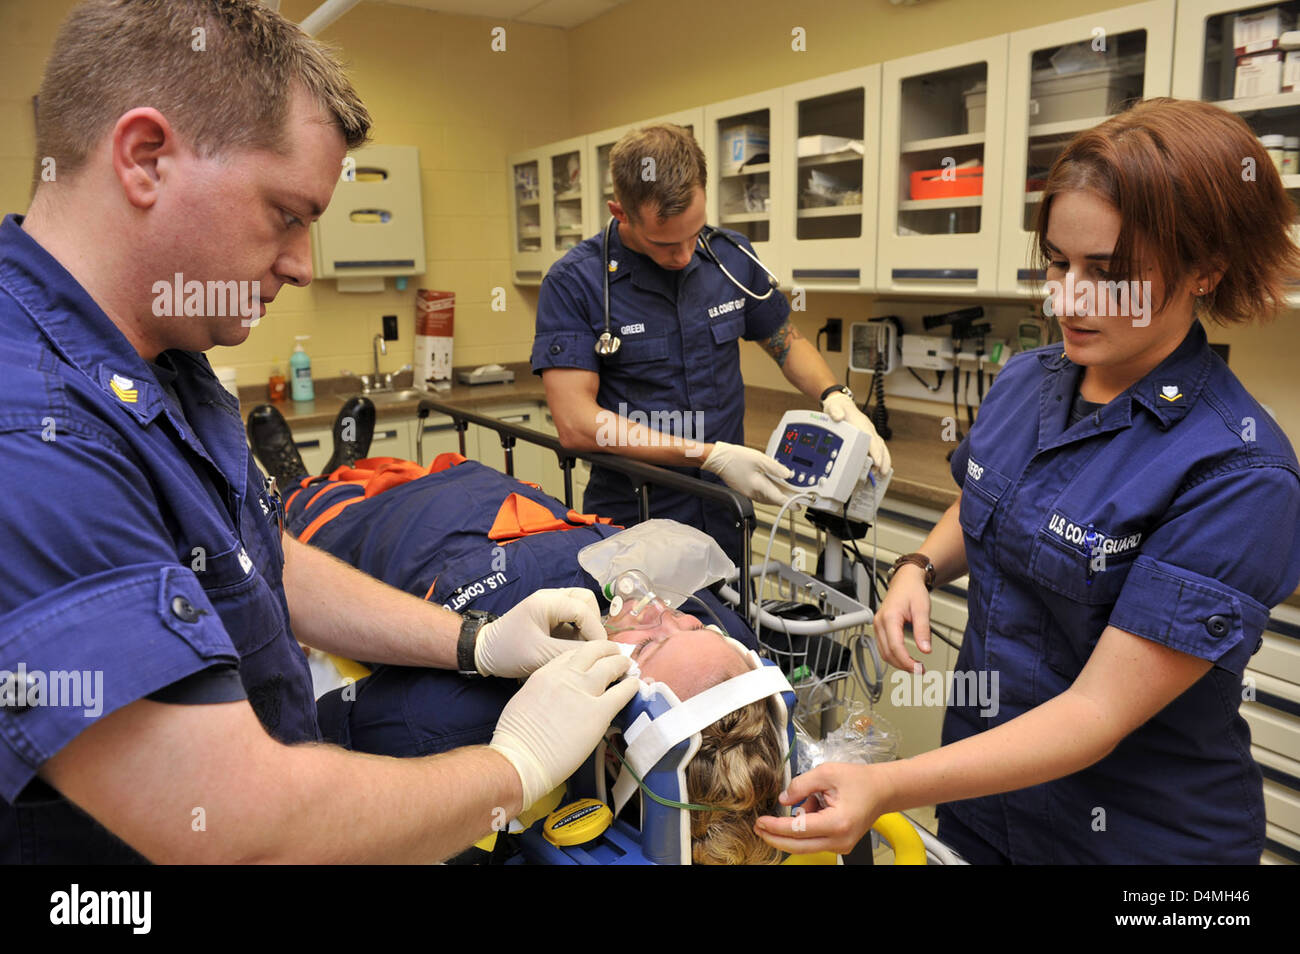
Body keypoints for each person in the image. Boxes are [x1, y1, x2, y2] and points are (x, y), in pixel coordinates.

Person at [0, 0, 636, 864]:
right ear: (145, 159)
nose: (302, 263)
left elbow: (259, 558)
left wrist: (474, 642)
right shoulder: (33, 434)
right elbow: (235, 825)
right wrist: (513, 769)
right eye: (287, 214)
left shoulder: (165, 355)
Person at [754, 98, 1300, 864]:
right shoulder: (1030, 381)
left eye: (1109, 275)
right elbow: (988, 499)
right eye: (1057, 263)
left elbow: (1096, 713)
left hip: (1137, 844)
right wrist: (920, 567)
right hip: (986, 803)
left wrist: (885, 785)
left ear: (1205, 269)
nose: (1066, 299)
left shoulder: (1238, 473)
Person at [532, 124, 892, 563]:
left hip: (725, 515)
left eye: (694, 232)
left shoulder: (730, 257)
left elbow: (786, 342)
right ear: (620, 212)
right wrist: (709, 456)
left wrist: (836, 397)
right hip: (633, 522)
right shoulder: (575, 282)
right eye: (664, 242)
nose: (684, 255)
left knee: (730, 630)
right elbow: (576, 423)